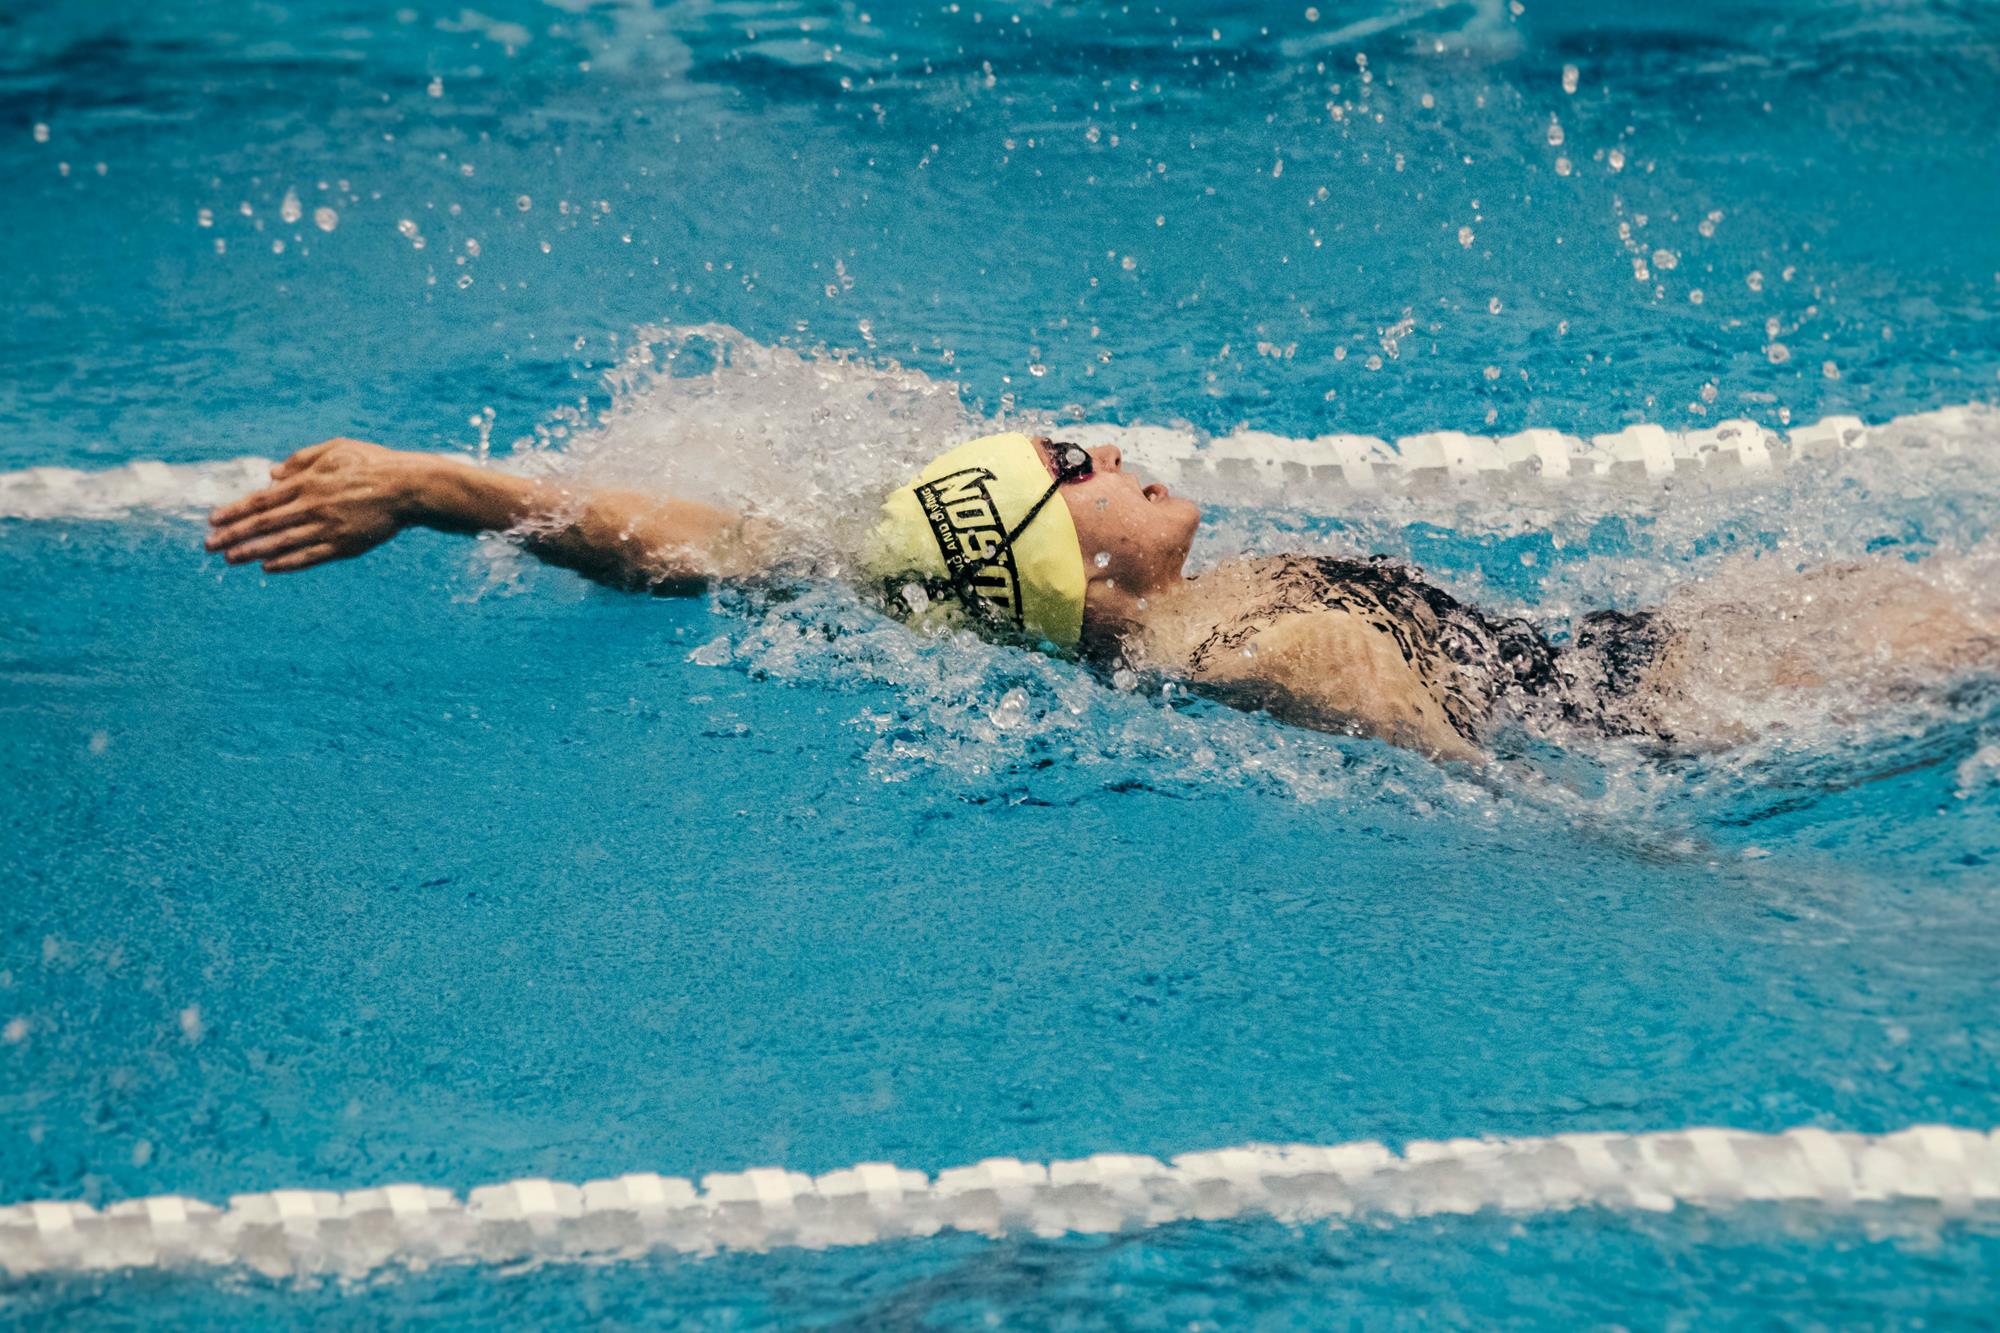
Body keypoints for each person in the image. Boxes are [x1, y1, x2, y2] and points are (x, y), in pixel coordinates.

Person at [205, 433, 1999, 762]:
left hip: (1635, 659)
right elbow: (1504, 796)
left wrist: (455, 492)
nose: (1116, 448)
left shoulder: (1083, 622)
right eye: (1078, 457)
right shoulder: (1264, 641)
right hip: (1673, 711)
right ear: (1069, 555)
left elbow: (724, 540)